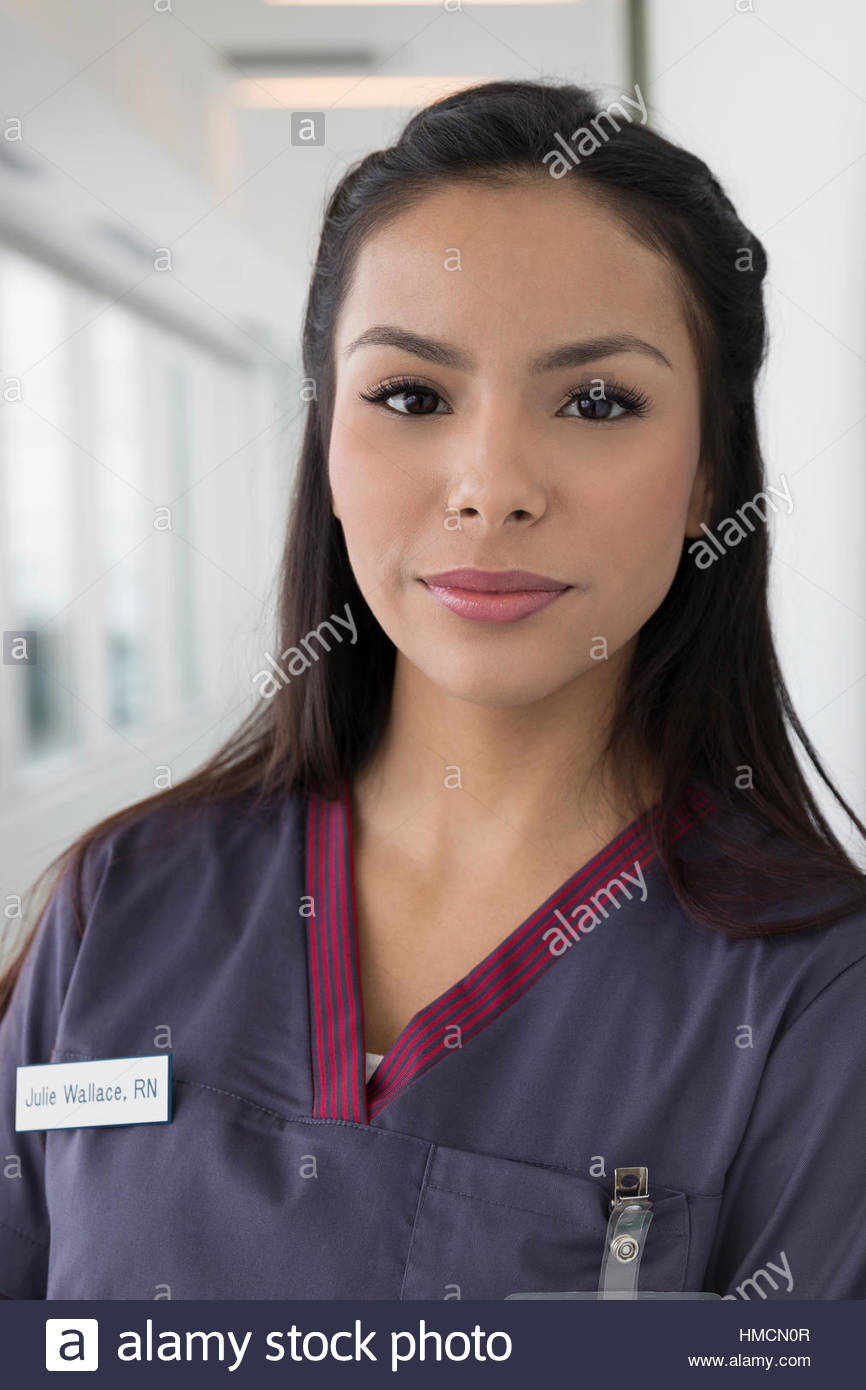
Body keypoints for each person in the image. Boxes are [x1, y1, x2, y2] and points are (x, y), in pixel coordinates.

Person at [1, 79, 865, 1302]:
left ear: (707, 476)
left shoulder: (815, 1000)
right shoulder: (123, 902)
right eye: (410, 396)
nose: (489, 485)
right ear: (329, 450)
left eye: (596, 401)